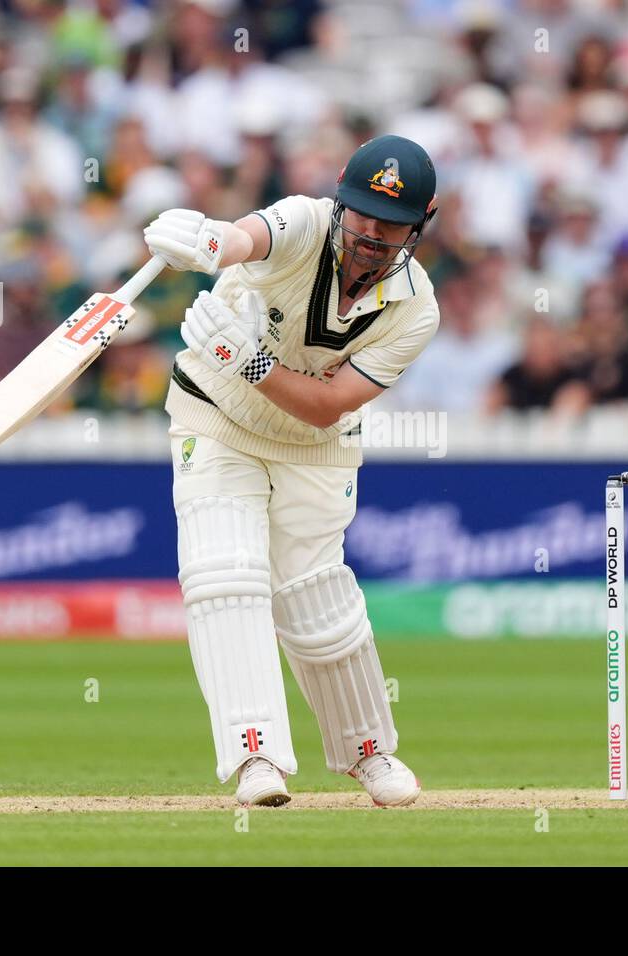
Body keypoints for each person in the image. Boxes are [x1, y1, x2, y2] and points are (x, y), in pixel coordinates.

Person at [142, 135, 439, 807]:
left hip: (314, 446)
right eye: (361, 214)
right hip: (217, 420)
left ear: (419, 225)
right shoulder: (305, 221)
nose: (370, 233)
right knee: (225, 574)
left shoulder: (416, 309)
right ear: (341, 198)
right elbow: (241, 240)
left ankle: (370, 753)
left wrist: (248, 359)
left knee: (317, 601)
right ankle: (256, 760)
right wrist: (205, 240)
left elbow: (328, 406)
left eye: (390, 224)